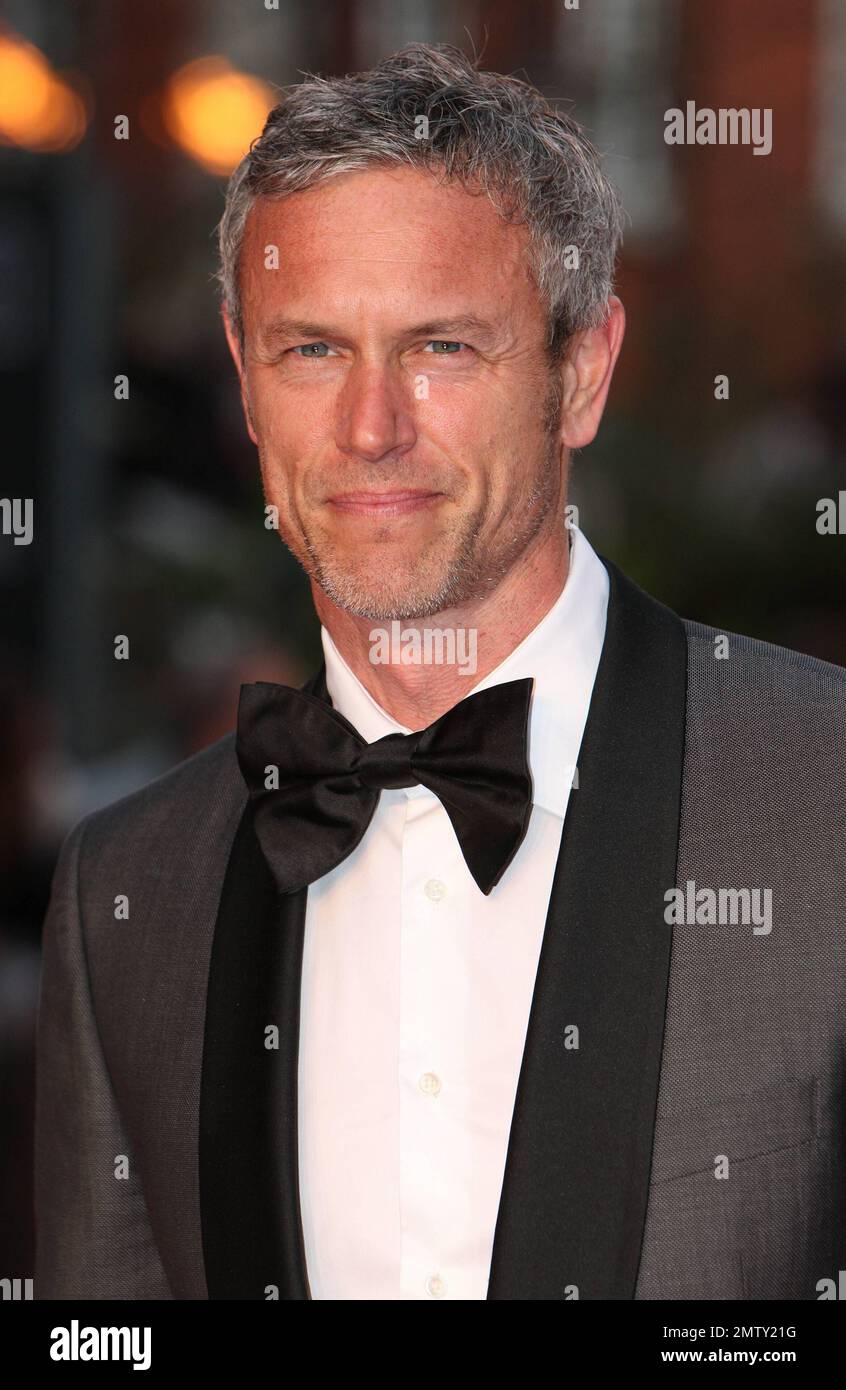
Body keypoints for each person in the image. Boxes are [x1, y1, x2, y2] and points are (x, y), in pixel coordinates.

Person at [34, 42, 845, 1301]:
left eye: (442, 349)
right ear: (246, 389)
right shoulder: (127, 889)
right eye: (312, 351)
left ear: (580, 373)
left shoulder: (824, 795)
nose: (371, 426)